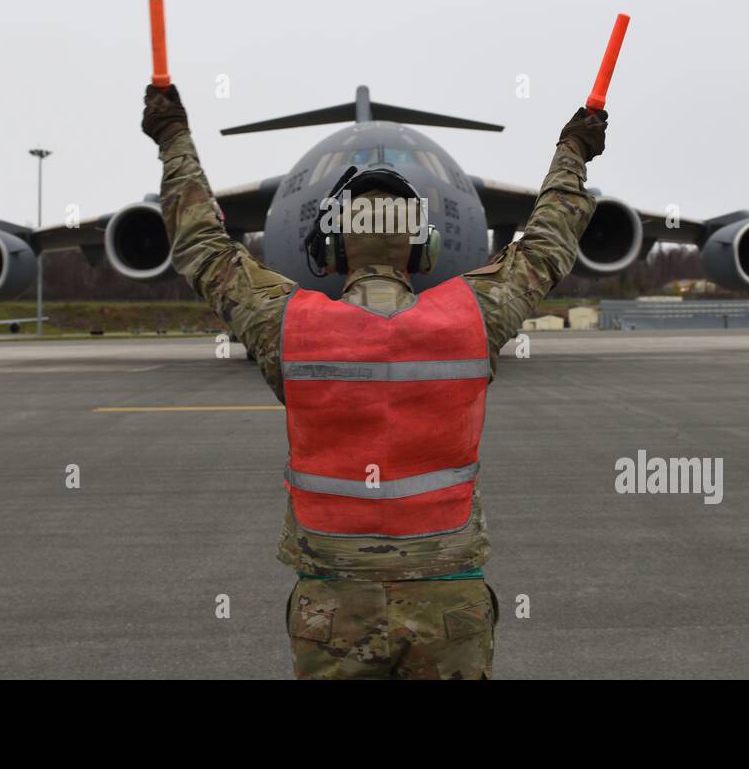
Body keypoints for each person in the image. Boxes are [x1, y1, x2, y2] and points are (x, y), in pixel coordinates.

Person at [142, 84, 608, 679]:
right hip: (448, 607)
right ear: (424, 250)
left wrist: (172, 137)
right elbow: (548, 240)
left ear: (331, 249)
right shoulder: (472, 318)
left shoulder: (290, 327)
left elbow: (202, 245)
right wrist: (575, 150)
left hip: (334, 609)